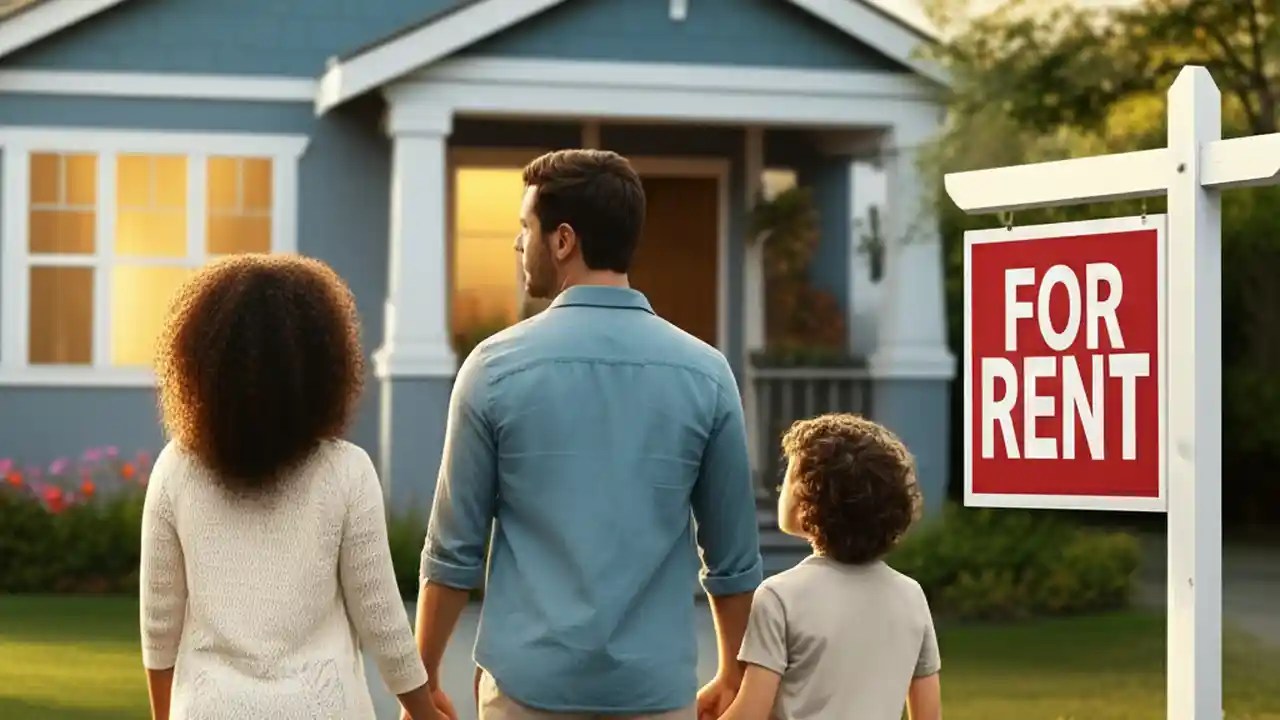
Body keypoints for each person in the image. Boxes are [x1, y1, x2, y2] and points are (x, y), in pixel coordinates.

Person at [409, 149, 763, 720]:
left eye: (526, 227)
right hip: (653, 694)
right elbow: (733, 557)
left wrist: (422, 679)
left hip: (526, 691)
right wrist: (731, 673)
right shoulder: (707, 373)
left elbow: (454, 551)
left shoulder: (493, 369)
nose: (517, 244)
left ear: (563, 240)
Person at [139, 254, 442, 720]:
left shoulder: (176, 468)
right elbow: (381, 620)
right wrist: (424, 711)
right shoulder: (347, 470)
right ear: (324, 363)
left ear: (199, 361)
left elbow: (159, 628)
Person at [721, 414, 942, 720]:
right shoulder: (911, 596)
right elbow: (929, 715)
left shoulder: (780, 598)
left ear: (805, 500)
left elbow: (751, 713)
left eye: (789, 474)